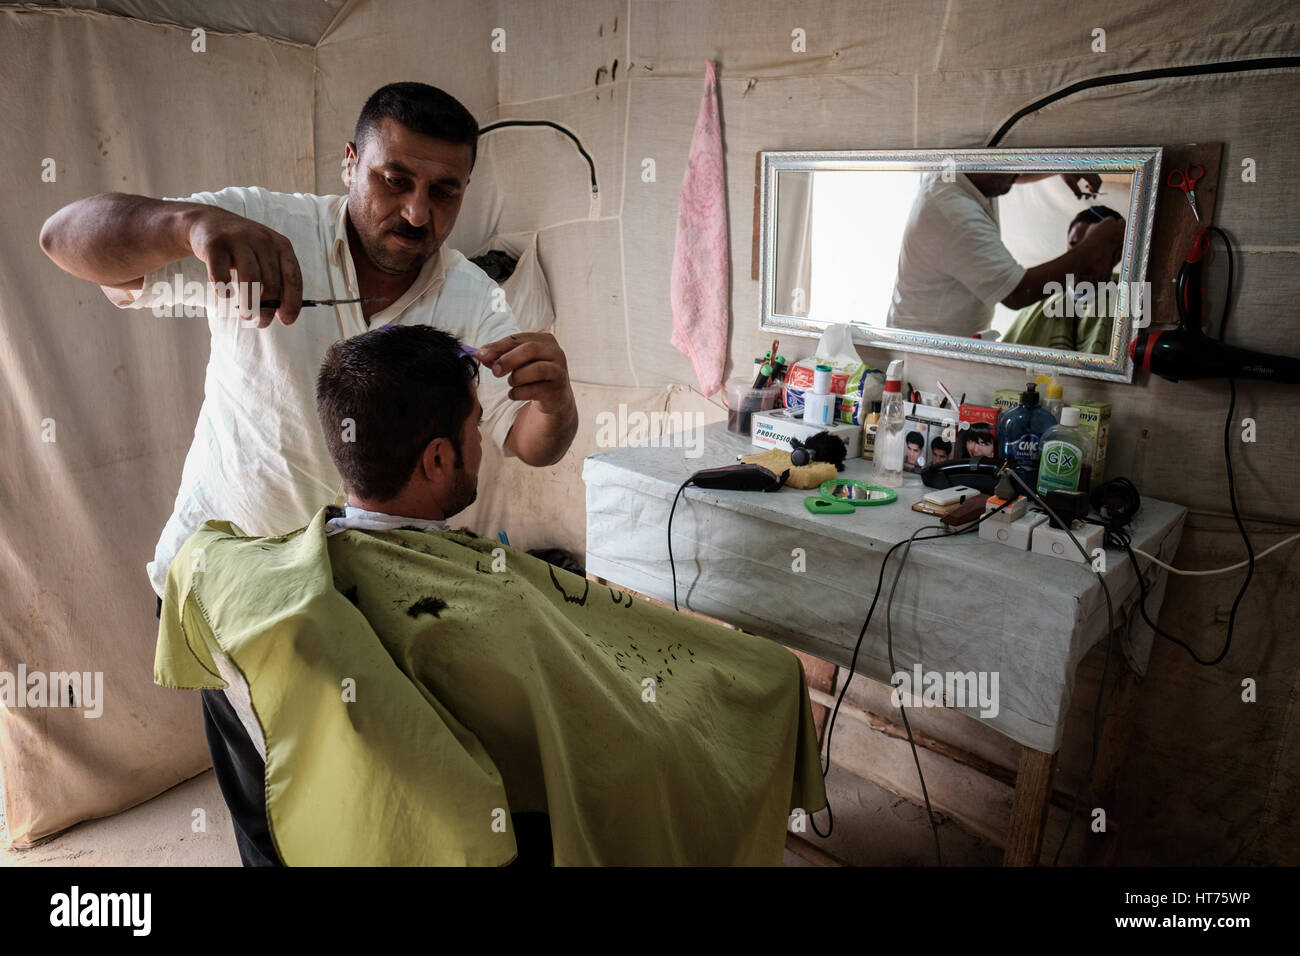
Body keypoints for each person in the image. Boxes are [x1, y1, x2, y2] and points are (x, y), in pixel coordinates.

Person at [39, 81, 579, 865]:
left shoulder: (470, 297)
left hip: (364, 602)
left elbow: (530, 443)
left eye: (445, 192)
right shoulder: (261, 234)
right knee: (279, 818)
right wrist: (187, 225)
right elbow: (62, 238)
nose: (418, 214)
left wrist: (555, 404)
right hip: (238, 590)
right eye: (395, 180)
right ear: (351, 162)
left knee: (370, 805)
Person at [152, 325, 825, 865]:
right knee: (739, 694)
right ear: (439, 459)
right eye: (476, 425)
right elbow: (577, 727)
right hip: (519, 823)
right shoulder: (483, 605)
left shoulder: (286, 576)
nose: (484, 440)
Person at [887, 171, 1124, 337]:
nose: (1019, 171)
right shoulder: (953, 211)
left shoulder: (962, 174)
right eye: (1074, 245)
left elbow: (1011, 175)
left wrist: (1060, 164)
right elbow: (1017, 293)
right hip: (928, 353)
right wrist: (1093, 247)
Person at [1001, 205, 1126, 353]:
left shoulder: (1127, 304)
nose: (1082, 260)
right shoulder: (1039, 298)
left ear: (1117, 257)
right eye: (1075, 246)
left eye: (1094, 251)